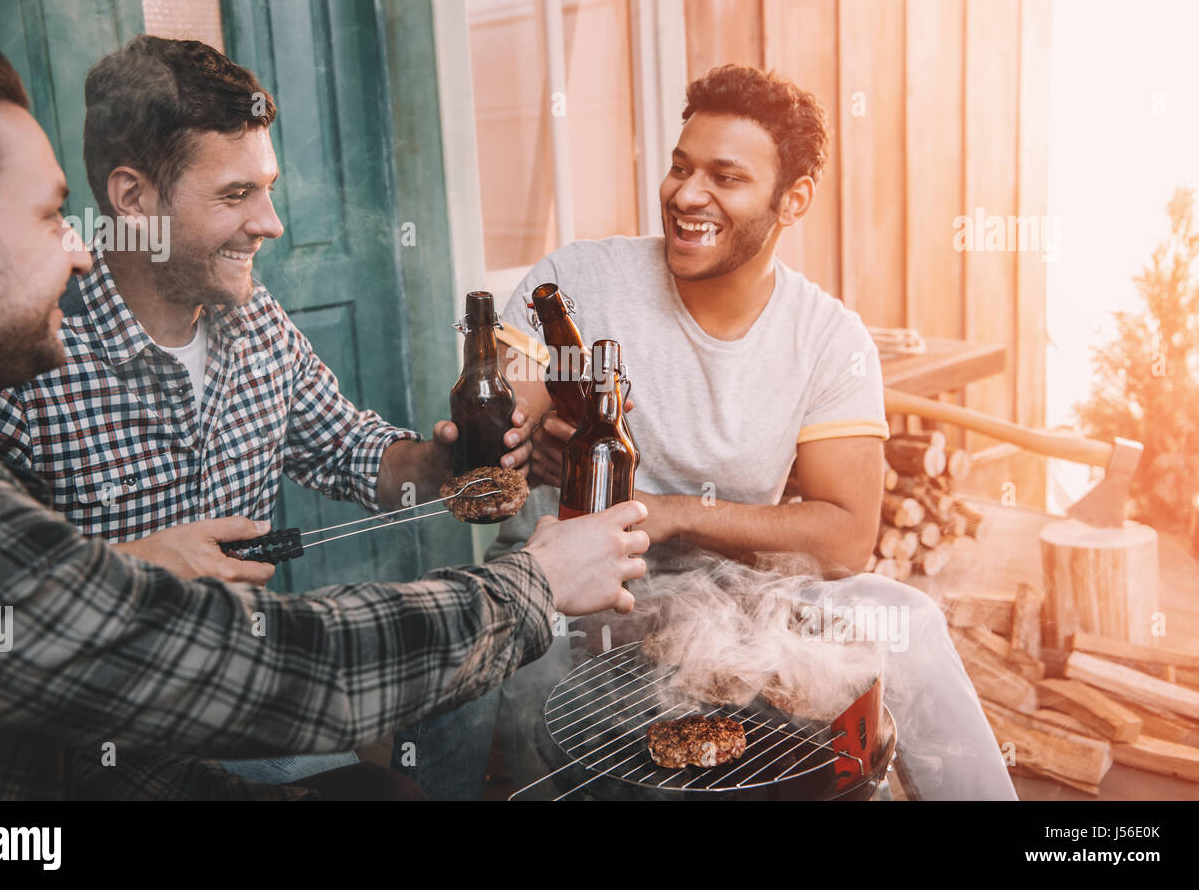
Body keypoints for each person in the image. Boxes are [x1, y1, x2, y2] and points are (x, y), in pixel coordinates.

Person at [0, 14, 649, 799]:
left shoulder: (251, 316)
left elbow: (350, 448)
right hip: (115, 750)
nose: (271, 224)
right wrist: (536, 579)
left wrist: (444, 464)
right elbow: (213, 656)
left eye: (267, 189)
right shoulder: (15, 372)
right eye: (236, 194)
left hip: (239, 718)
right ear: (132, 197)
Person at [396, 65, 1018, 801]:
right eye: (680, 167)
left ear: (793, 200)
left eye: (726, 178)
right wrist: (498, 443)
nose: (687, 195)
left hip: (738, 599)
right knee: (459, 648)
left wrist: (672, 513)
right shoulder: (578, 281)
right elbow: (510, 418)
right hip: (573, 580)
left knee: (906, 617)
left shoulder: (828, 338)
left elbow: (847, 535)